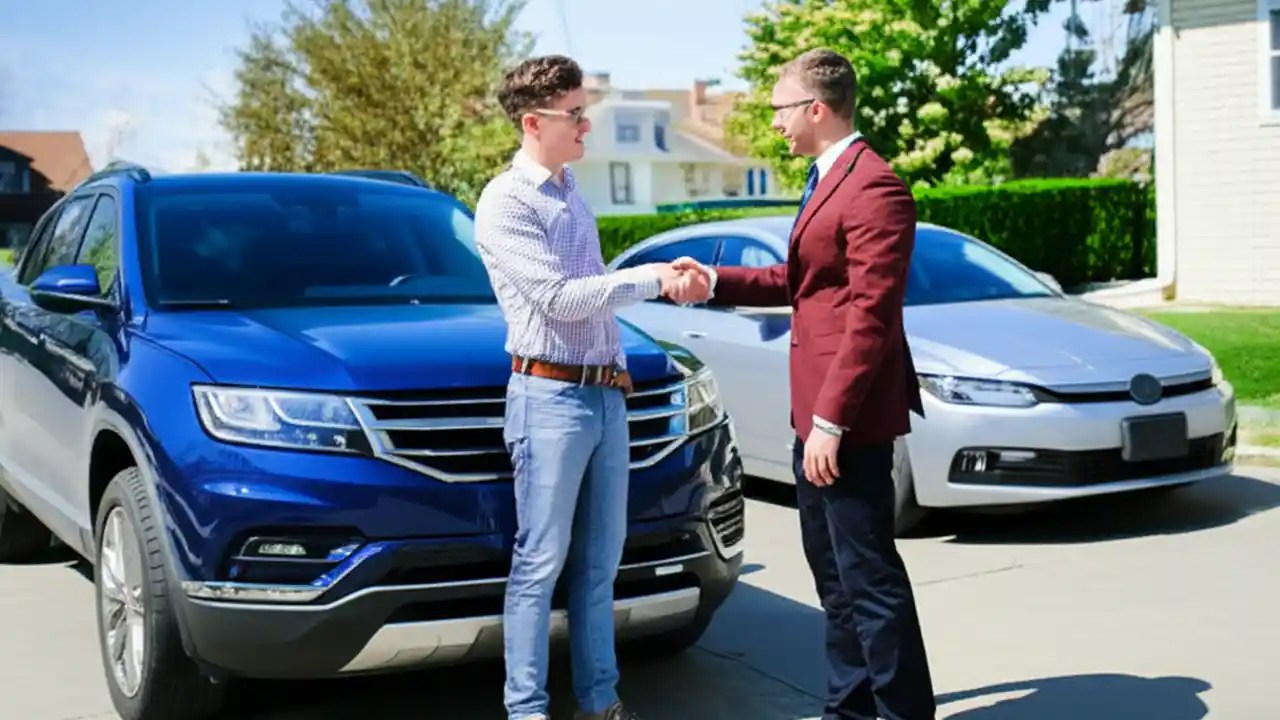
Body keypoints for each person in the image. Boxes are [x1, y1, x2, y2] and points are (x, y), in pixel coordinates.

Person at [674, 48, 936, 720]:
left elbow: (870, 318)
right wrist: (716, 282)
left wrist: (831, 422)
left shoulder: (874, 186)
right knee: (833, 576)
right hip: (812, 416)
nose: (775, 125)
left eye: (780, 111)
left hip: (843, 422)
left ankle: (905, 711)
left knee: (868, 576)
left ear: (816, 109)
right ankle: (847, 709)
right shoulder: (826, 179)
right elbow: (806, 285)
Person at [472, 55, 701, 720]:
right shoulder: (505, 201)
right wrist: (655, 277)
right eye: (575, 114)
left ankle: (600, 704)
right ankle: (527, 709)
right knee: (539, 564)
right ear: (534, 120)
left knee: (601, 563)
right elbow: (559, 299)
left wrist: (611, 362)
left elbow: (591, 302)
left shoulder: (571, 190)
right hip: (547, 401)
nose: (586, 125)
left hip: (603, 395)